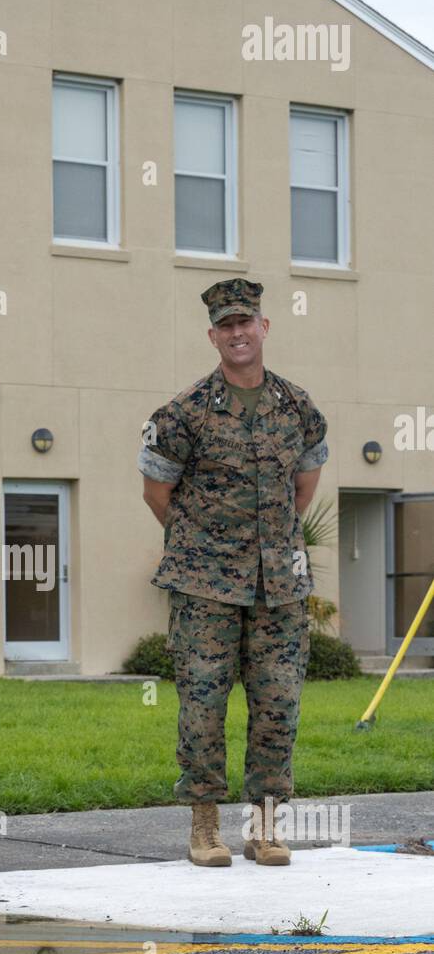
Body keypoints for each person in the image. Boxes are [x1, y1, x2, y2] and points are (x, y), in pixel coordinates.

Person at [139, 279, 328, 868]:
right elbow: (156, 492)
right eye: (226, 326)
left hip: (279, 589)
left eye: (246, 322)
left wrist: (268, 545)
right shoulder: (184, 412)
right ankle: (204, 826)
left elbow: (304, 485)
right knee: (203, 703)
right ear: (212, 336)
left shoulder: (298, 407)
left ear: (264, 328)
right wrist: (206, 547)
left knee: (278, 704)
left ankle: (266, 828)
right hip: (204, 588)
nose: (238, 333)